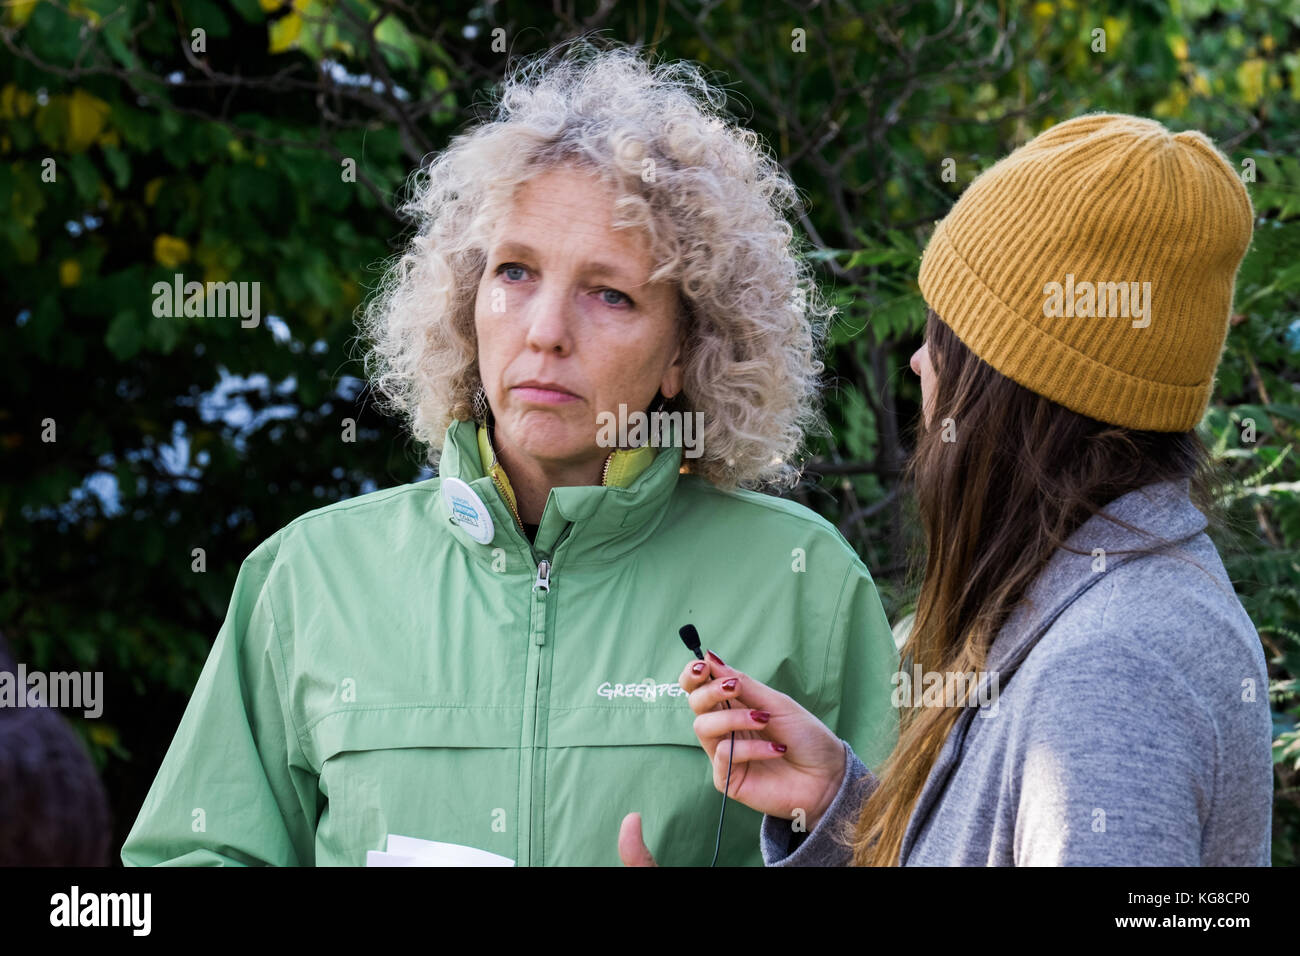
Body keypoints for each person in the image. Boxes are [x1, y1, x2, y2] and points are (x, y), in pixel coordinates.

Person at [119, 43, 900, 867]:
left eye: (611, 293)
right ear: (466, 300)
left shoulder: (801, 577)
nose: (546, 330)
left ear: (687, 352)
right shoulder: (311, 573)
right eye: (516, 271)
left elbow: (920, 849)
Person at [620, 113, 1273, 866]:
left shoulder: (1112, 671)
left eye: (946, 336)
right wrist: (840, 810)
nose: (920, 364)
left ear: (1017, 384)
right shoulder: (1100, 602)